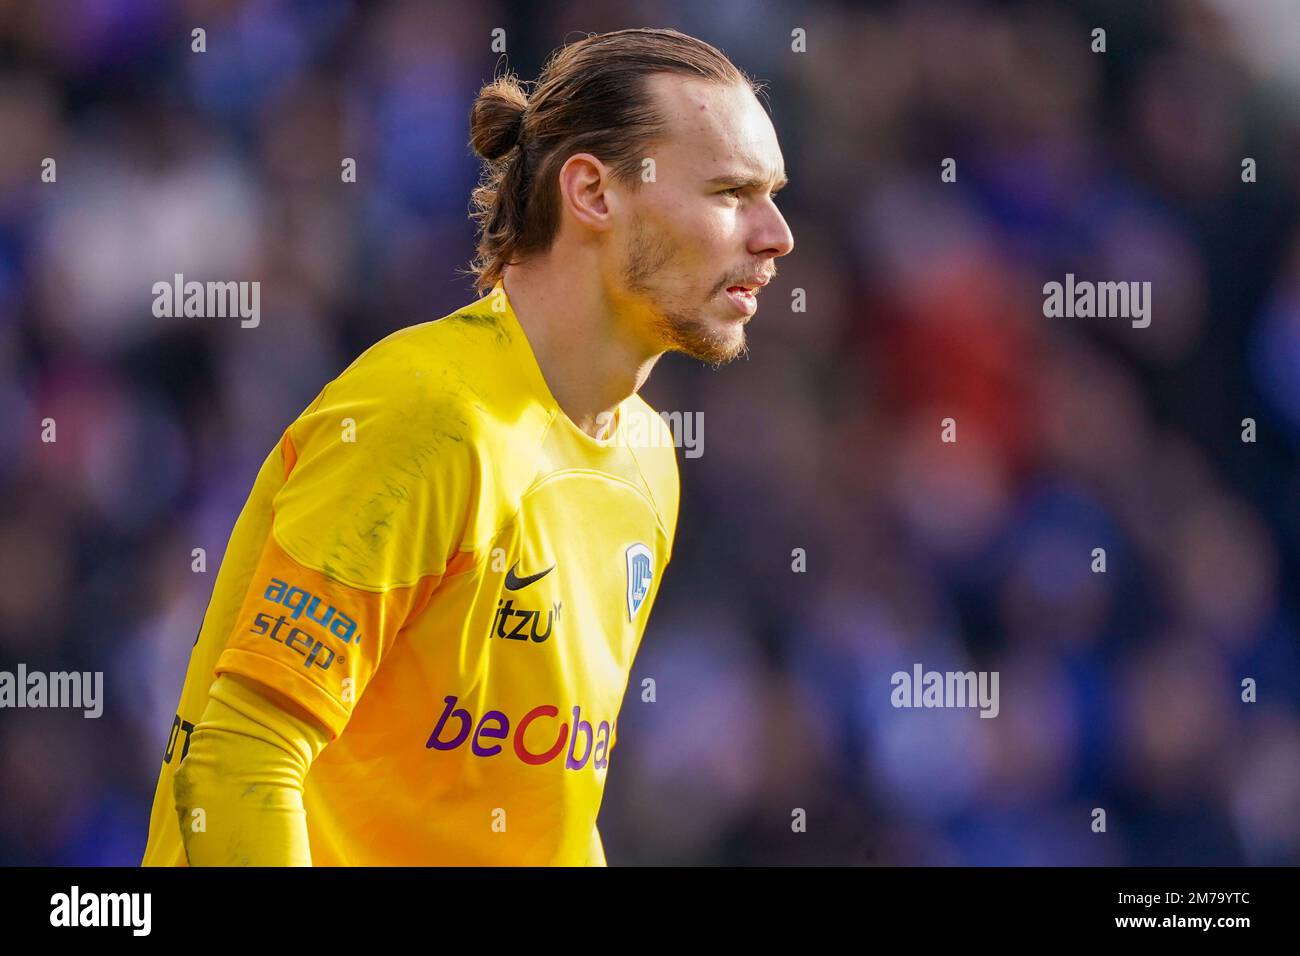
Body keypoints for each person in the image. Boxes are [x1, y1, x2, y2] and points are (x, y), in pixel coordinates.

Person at [141, 26, 794, 866]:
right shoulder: (428, 417)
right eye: (733, 192)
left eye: (772, 195)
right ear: (592, 192)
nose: (775, 235)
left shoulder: (646, 457)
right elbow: (242, 755)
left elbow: (545, 811)